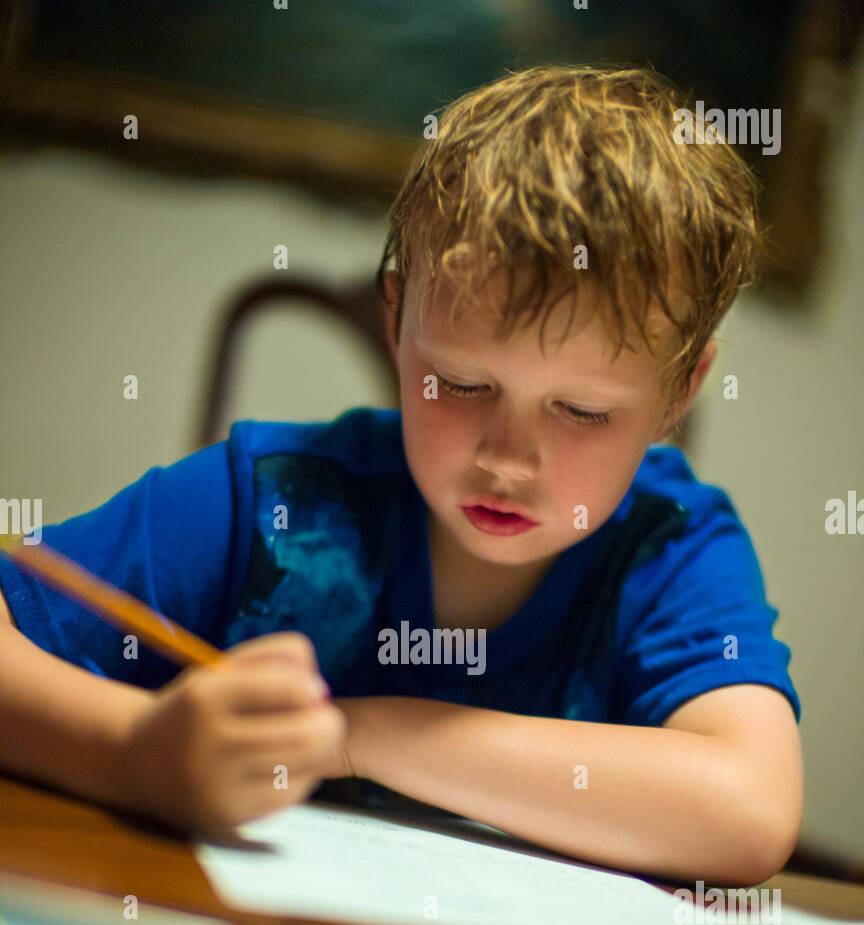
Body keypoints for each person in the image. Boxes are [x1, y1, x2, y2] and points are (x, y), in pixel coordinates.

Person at [0, 65, 804, 883]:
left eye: (583, 412)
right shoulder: (275, 503)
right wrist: (134, 752)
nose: (507, 459)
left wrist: (363, 734)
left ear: (681, 390)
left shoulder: (671, 549)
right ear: (397, 319)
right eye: (460, 385)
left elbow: (750, 809)